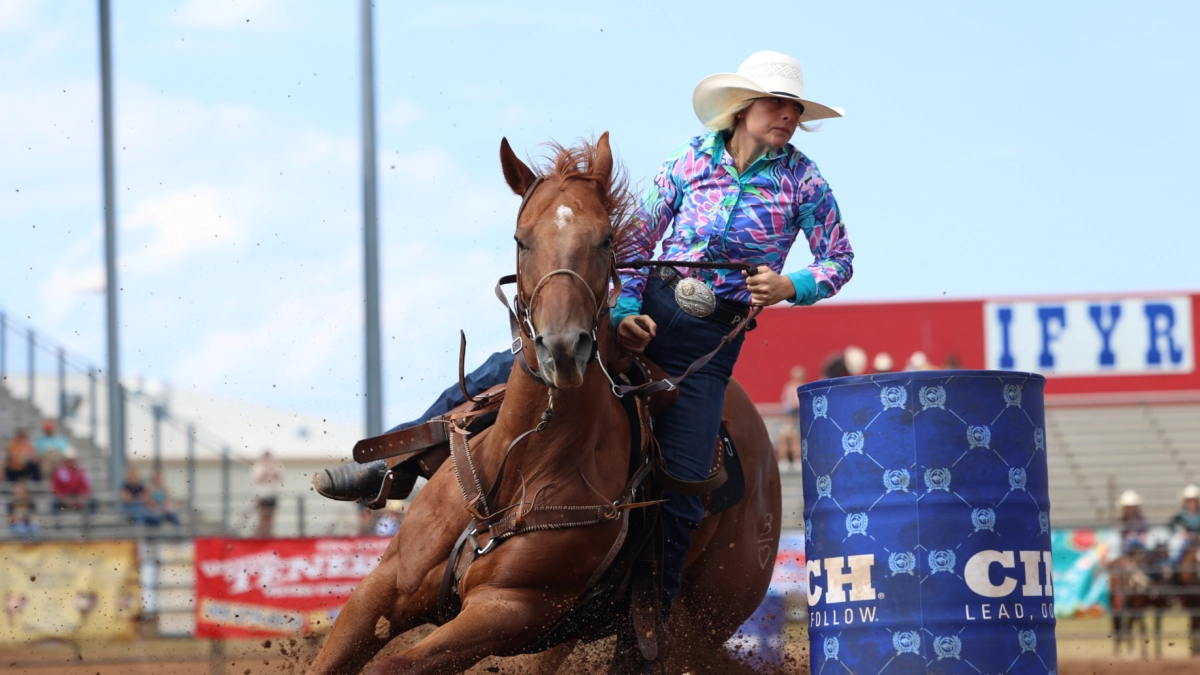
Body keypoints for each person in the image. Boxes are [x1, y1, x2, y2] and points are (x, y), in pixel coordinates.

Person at [776, 366, 806, 468]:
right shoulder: (789, 387)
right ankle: (783, 460)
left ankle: (797, 460)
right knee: (783, 437)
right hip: (789, 417)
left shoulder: (804, 387)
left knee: (796, 439)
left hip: (800, 416)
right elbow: (787, 404)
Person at [251, 451, 283, 538]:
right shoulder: (258, 466)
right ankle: (260, 535)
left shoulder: (276, 465)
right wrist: (266, 469)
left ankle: (268, 534)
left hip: (272, 495)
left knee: (271, 517)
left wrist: (272, 468)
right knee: (262, 517)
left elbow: (279, 477)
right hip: (262, 496)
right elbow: (259, 479)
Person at [51, 448, 93, 513]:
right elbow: (56, 488)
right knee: (55, 504)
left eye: (73, 460)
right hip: (64, 497)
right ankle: (57, 522)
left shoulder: (82, 471)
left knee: (92, 502)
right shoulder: (59, 471)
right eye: (69, 460)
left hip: (78, 496)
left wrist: (81, 497)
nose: (71, 463)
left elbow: (86, 486)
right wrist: (64, 499)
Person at [1117, 489, 1149, 554]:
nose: (1130, 509)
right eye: (1128, 507)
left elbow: (1145, 532)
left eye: (1132, 506)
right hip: (1126, 546)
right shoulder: (1122, 520)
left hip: (1140, 544)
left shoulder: (1141, 519)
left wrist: (1141, 538)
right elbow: (1121, 534)